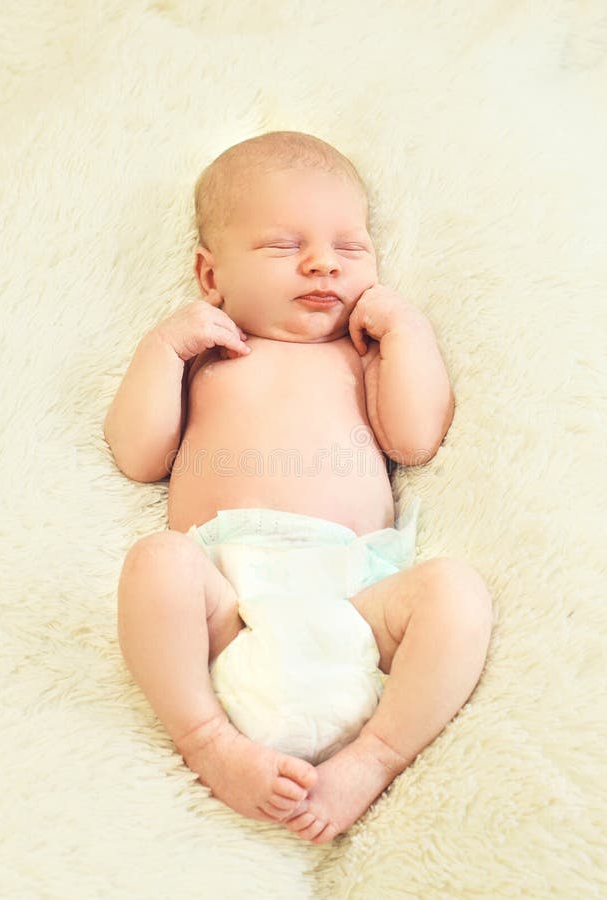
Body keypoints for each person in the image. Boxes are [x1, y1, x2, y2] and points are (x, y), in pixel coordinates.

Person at [104, 130, 492, 844]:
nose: (322, 263)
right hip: (228, 600)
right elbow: (137, 455)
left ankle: (374, 758)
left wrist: (407, 332)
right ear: (211, 276)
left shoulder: (362, 354)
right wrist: (162, 351)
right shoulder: (210, 357)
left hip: (356, 596)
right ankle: (207, 740)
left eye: (350, 247)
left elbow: (415, 439)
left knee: (456, 593)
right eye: (284, 246)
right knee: (156, 563)